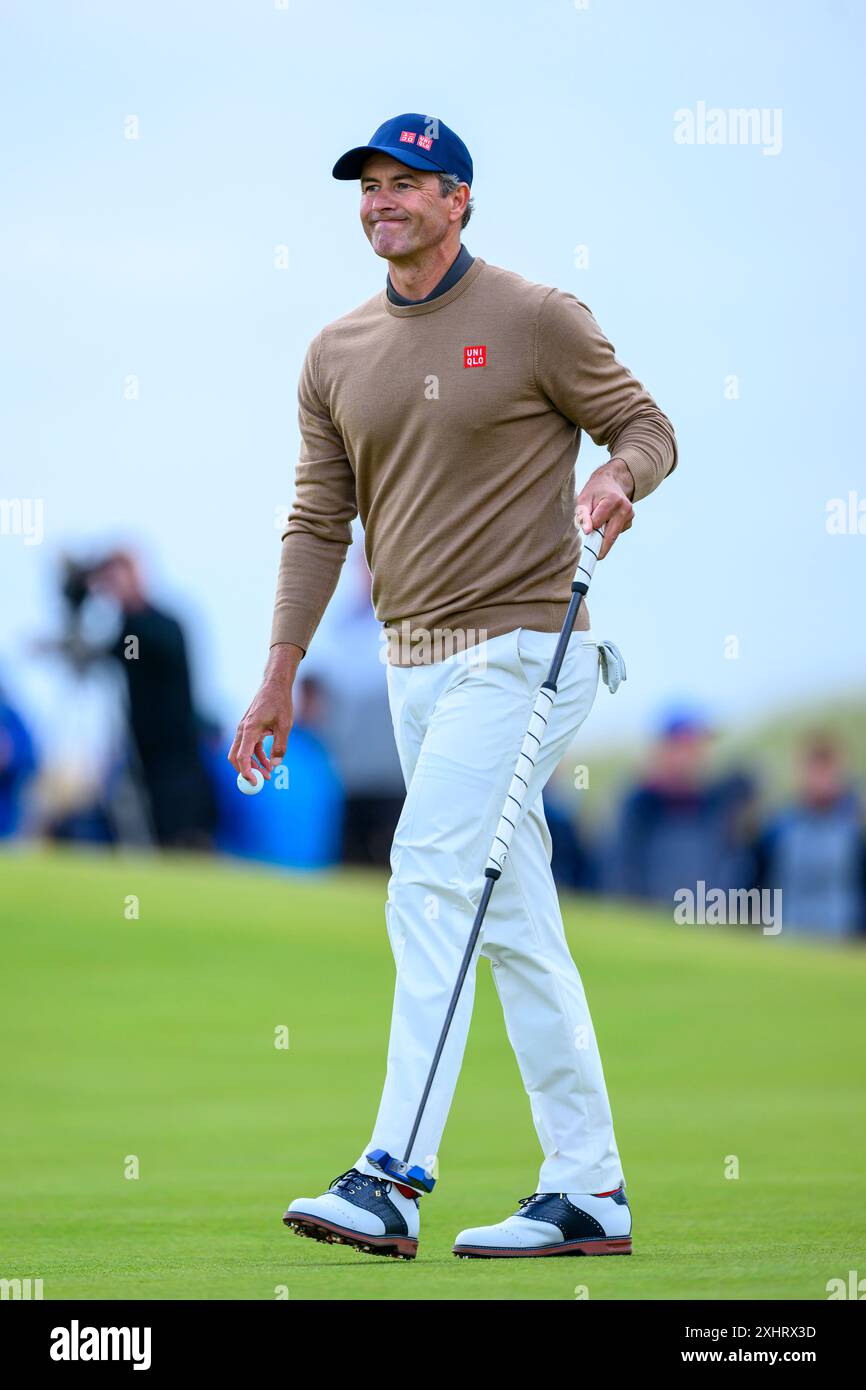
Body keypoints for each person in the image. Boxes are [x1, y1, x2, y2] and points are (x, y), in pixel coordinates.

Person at [229, 113, 677, 1260]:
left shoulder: (533, 317)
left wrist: (619, 481)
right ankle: (589, 1190)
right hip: (409, 668)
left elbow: (644, 426)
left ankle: (391, 1175)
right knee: (513, 922)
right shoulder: (334, 351)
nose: (381, 200)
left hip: (526, 650)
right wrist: (278, 672)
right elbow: (316, 521)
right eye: (368, 186)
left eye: (405, 184)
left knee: (429, 876)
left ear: (458, 199)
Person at [609, 709, 754, 907]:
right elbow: (622, 874)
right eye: (684, 746)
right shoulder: (641, 808)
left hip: (706, 921)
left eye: (697, 747)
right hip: (652, 920)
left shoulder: (713, 804)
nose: (692, 756)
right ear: (663, 750)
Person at [754, 736, 866, 939]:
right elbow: (757, 879)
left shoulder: (853, 832)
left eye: (828, 772)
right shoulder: (779, 828)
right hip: (786, 936)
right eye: (816, 771)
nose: (821, 781)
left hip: (841, 939)